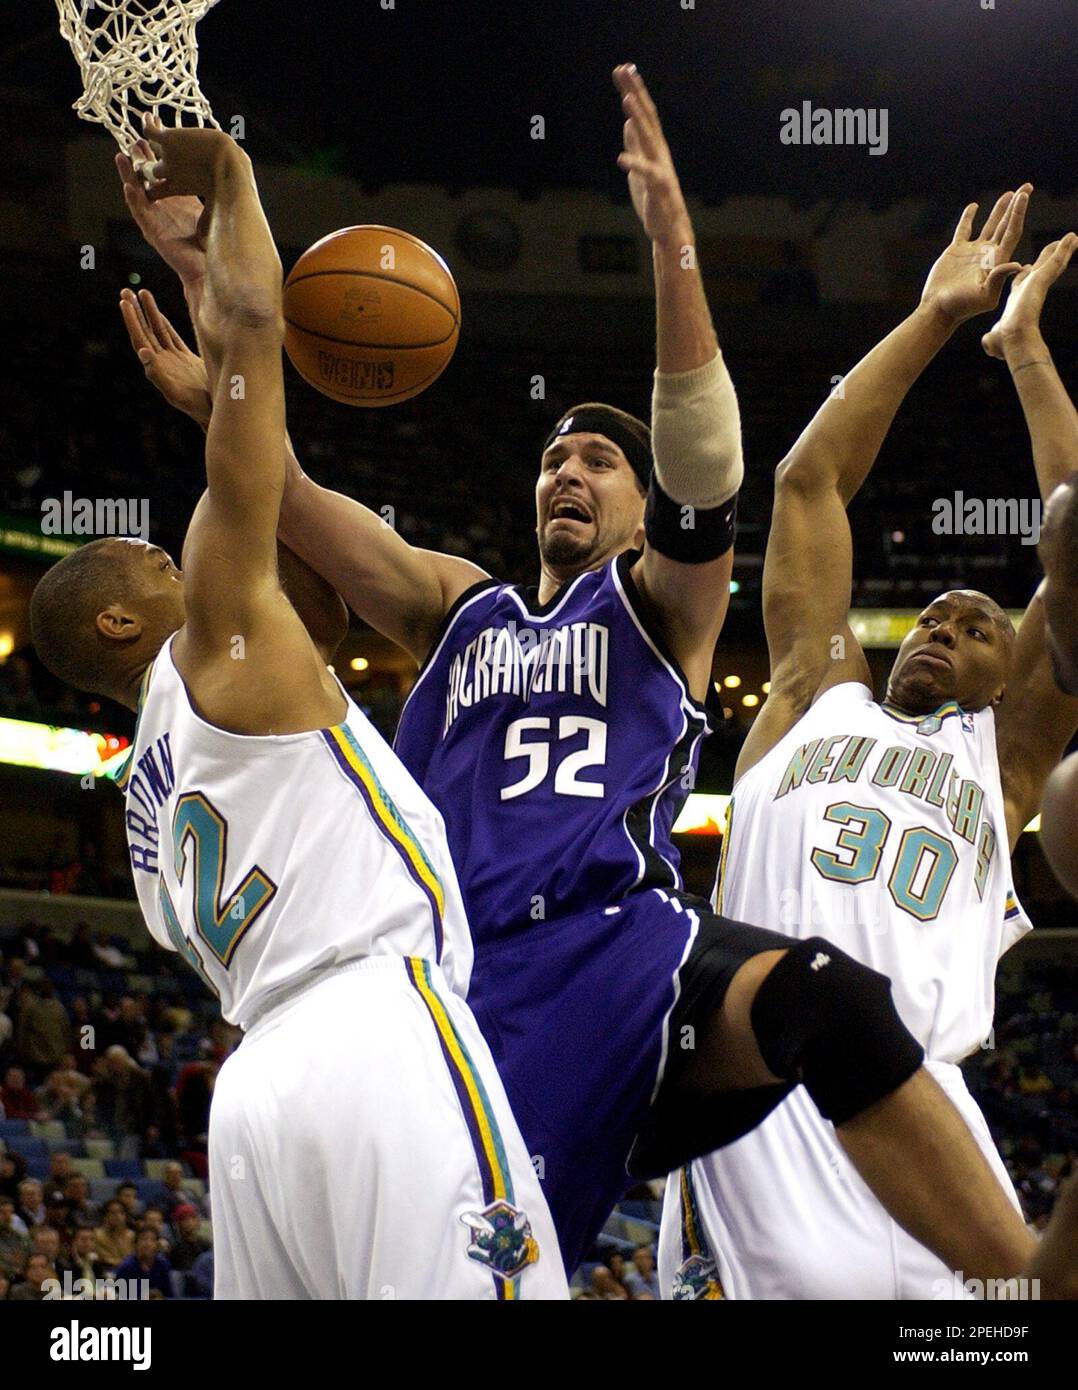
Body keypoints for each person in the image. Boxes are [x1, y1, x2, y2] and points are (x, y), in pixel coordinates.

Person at [115, 73, 1078, 1293]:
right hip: (452, 984)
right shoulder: (456, 602)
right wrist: (213, 299)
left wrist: (675, 247)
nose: (568, 471)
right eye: (553, 457)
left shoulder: (657, 603)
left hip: (619, 945)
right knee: (505, 1264)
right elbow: (282, 489)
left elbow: (716, 467)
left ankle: (1030, 1278)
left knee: (827, 1002)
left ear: (636, 507)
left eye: (598, 460)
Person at [32, 118, 564, 1302]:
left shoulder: (153, 798)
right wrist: (224, 199)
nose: (182, 555)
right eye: (150, 557)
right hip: (376, 1026)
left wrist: (224, 397)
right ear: (121, 623)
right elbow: (264, 336)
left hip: (258, 1099)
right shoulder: (217, 637)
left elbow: (313, 595)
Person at [659, 205, 1078, 1299]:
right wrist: (933, 314)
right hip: (762, 1098)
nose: (941, 626)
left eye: (974, 623)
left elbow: (1075, 544)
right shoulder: (809, 693)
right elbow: (805, 484)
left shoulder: (1005, 761)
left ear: (1010, 666)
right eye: (931, 616)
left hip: (927, 1116)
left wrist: (1024, 349)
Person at [114, 1223, 172, 1299]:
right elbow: (124, 1297)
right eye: (144, 1239)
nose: (148, 1244)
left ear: (157, 1245)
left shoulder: (162, 1264)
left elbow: (169, 1294)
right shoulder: (126, 1267)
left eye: (152, 1240)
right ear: (136, 1244)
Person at [94, 1198, 135, 1271]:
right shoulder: (95, 1235)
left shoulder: (132, 1236)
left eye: (121, 1213)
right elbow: (100, 1259)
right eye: (113, 1213)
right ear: (105, 1216)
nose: (118, 1216)